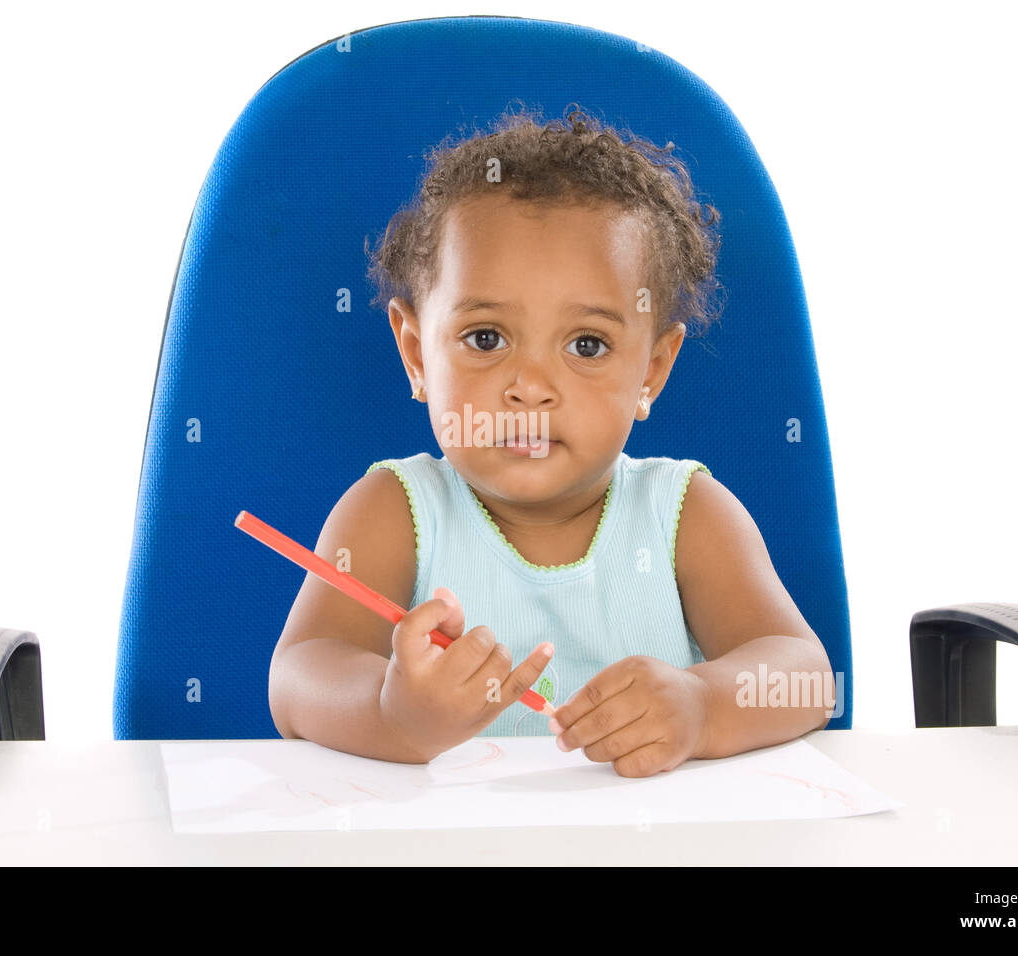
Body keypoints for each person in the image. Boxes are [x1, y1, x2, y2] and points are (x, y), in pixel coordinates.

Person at [269, 104, 833, 777]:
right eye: (486, 339)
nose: (531, 387)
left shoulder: (685, 514)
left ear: (650, 370)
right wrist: (393, 712)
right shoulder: (392, 511)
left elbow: (804, 677)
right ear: (417, 353)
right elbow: (298, 677)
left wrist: (701, 705)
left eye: (587, 345)